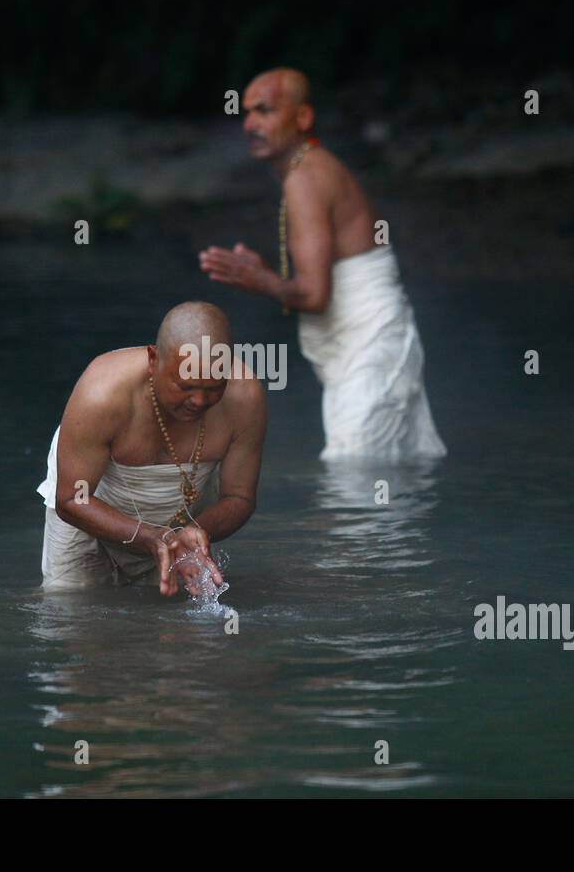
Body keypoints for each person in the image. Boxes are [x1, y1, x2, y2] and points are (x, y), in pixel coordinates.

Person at [199, 67, 446, 461]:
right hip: (375, 345)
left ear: (302, 118)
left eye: (264, 111)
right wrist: (265, 275)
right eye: (246, 113)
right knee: (388, 473)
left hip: (371, 349)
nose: (250, 124)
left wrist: (259, 279)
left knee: (355, 472)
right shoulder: (310, 170)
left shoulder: (305, 177)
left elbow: (314, 295)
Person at [36, 301, 266, 595]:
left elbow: (239, 497)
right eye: (185, 387)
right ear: (153, 359)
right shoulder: (101, 394)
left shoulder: (244, 396)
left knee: (165, 624)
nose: (199, 400)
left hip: (183, 521)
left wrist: (196, 532)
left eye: (213, 388)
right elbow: (71, 499)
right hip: (88, 518)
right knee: (73, 611)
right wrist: (150, 537)